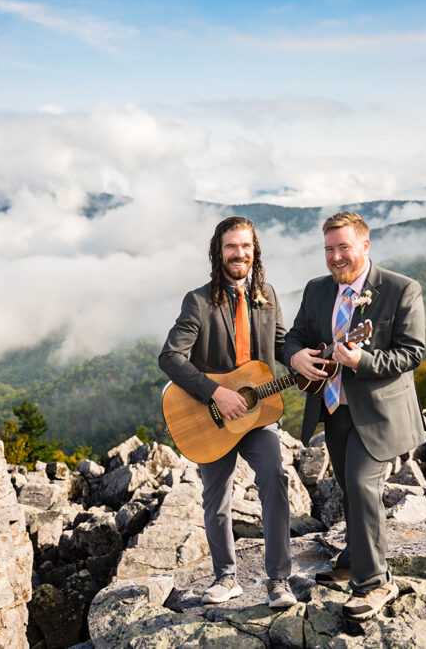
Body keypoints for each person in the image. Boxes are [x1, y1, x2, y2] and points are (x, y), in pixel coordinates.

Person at [285, 211, 426, 621]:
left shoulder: (402, 289)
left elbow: (412, 352)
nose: (335, 256)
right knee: (348, 488)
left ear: (365, 245)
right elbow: (295, 336)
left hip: (379, 414)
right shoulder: (315, 290)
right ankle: (353, 555)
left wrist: (362, 359)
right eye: (329, 249)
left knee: (363, 487)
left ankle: (374, 583)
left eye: (343, 247)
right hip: (333, 409)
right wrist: (295, 355)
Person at [159, 216, 296, 609]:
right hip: (210, 417)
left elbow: (282, 343)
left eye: (246, 247)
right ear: (218, 252)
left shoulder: (267, 294)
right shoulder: (198, 301)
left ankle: (279, 581)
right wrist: (216, 393)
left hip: (259, 415)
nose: (240, 254)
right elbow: (170, 357)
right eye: (231, 247)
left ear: (255, 252)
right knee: (215, 498)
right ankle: (226, 577)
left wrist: (305, 358)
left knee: (274, 478)